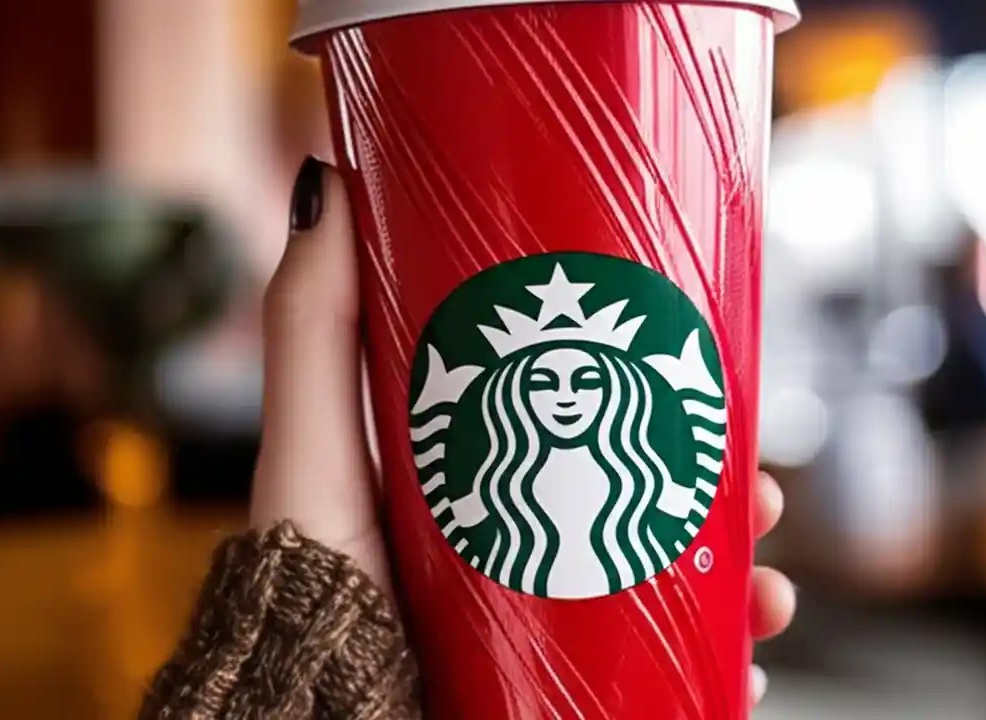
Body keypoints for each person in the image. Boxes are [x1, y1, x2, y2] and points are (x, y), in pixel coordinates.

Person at [139, 158, 797, 718]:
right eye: (543, 382)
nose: (566, 397)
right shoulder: (497, 497)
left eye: (587, 381)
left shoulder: (644, 493)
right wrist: (310, 663)